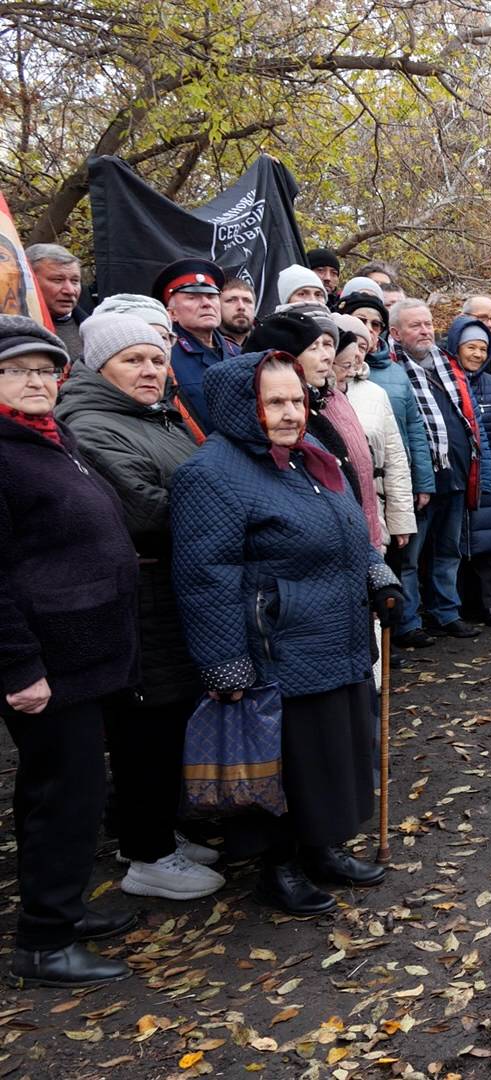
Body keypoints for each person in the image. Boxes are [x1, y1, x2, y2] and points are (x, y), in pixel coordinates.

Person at [172, 352, 401, 916]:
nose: (290, 412)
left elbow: (351, 535)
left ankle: (320, 849)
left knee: (330, 754)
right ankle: (280, 867)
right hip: (276, 648)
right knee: (286, 764)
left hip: (336, 635)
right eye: (274, 401)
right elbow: (205, 577)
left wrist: (381, 579)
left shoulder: (310, 460)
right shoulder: (212, 473)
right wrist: (224, 661)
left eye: (296, 399)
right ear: (240, 405)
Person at [60, 314, 230, 903]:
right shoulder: (90, 425)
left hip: (172, 596)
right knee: (144, 729)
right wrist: (232, 514)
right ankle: (146, 853)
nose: (151, 370)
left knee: (170, 718)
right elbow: (147, 511)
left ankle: (161, 831)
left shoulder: (155, 417)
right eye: (134, 360)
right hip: (138, 600)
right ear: (99, 366)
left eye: (157, 360)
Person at [0, 316, 142, 987]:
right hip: (47, 666)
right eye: (16, 370)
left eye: (44, 369)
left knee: (62, 791)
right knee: (65, 795)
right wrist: (19, 667)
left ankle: (59, 907)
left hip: (85, 653)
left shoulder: (51, 438)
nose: (35, 381)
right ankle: (44, 943)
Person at [246, 310, 384, 549]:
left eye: (327, 345)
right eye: (314, 347)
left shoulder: (324, 403)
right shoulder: (283, 427)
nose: (327, 357)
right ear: (285, 358)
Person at [390, 298, 485, 643]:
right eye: (415, 325)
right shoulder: (391, 368)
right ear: (395, 333)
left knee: (448, 551)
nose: (425, 330)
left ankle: (447, 612)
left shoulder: (447, 364)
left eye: (428, 323)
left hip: (456, 475)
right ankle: (410, 622)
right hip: (419, 480)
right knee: (411, 559)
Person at [446, 316, 491, 625]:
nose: (476, 354)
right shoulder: (443, 381)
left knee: (488, 547)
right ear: (456, 348)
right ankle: (459, 605)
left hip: (490, 478)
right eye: (470, 347)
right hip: (459, 477)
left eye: (482, 348)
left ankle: (489, 604)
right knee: (457, 546)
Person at [331, 311, 416, 556]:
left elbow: (395, 458)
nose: (356, 353)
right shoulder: (314, 396)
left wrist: (401, 520)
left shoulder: (375, 393)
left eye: (363, 347)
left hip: (373, 510)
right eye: (351, 345)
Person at [154, 257, 240, 431]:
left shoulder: (238, 352)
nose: (206, 304)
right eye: (192, 297)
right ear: (172, 314)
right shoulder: (164, 356)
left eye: (211, 296)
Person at [25, 243, 86, 353]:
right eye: (57, 280)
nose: (70, 291)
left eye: (75, 281)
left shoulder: (97, 332)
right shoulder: (8, 332)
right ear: (29, 281)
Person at [219, 277, 256, 342]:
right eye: (231, 300)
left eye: (247, 301)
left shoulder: (269, 344)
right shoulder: (204, 346)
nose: (241, 307)